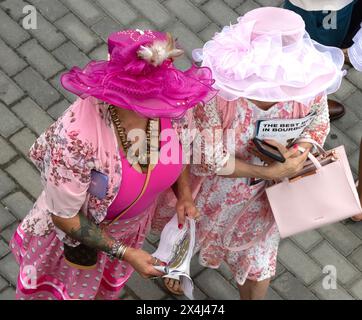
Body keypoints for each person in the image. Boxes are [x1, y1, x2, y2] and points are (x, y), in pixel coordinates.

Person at [9, 29, 216, 300]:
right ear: (119, 92)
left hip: (130, 236)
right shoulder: (76, 138)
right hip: (75, 246)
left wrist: (185, 195)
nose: (161, 104)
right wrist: (125, 253)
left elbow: (180, 150)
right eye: (147, 96)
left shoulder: (172, 104)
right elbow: (64, 216)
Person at [153, 7, 345, 299]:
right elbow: (208, 158)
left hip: (266, 202)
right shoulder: (217, 89)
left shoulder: (306, 81)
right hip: (211, 193)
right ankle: (179, 266)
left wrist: (297, 153)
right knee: (188, 234)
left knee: (258, 270)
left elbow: (318, 124)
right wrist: (270, 171)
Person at [284, 0, 359, 121]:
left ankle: (309, 101)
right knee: (302, 50)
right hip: (311, 5)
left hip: (336, 6)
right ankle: (300, 105)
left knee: (326, 50)